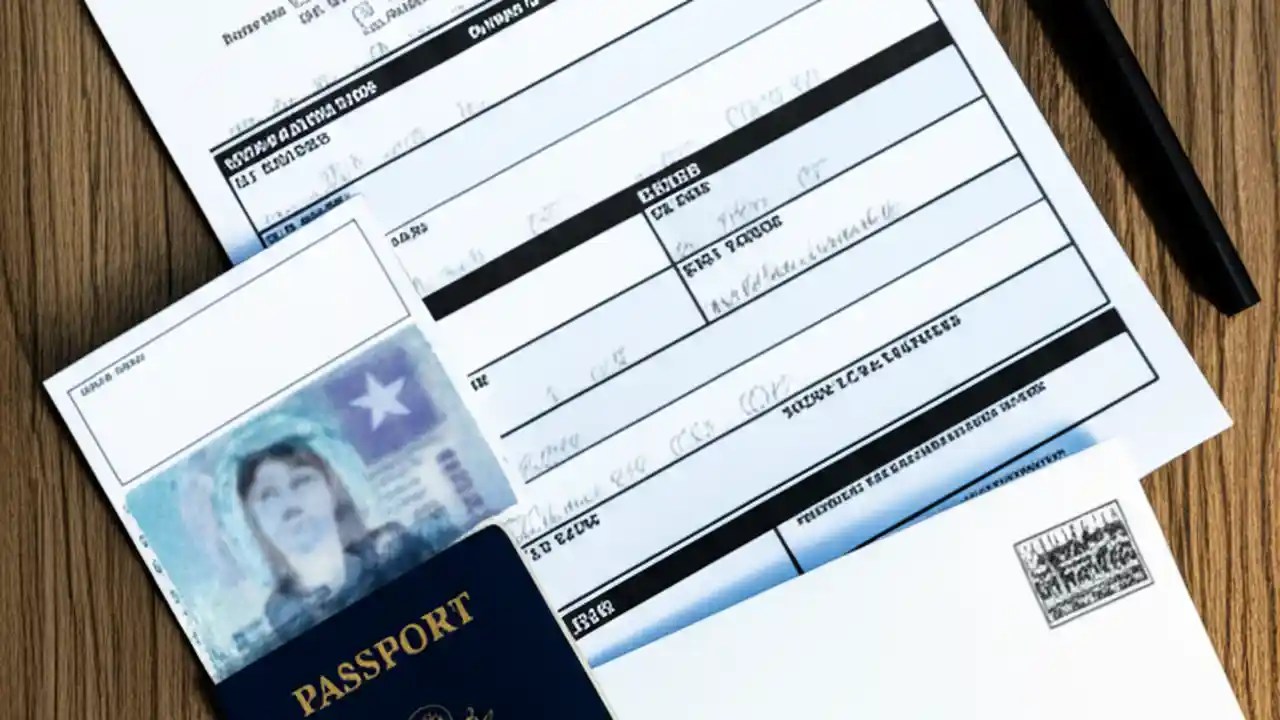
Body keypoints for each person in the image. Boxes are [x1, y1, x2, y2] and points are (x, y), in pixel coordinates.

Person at [235, 437, 429, 644]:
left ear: (331, 488)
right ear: (254, 519)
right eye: (268, 496)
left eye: (300, 482)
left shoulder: (398, 551)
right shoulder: (279, 627)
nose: (289, 503)